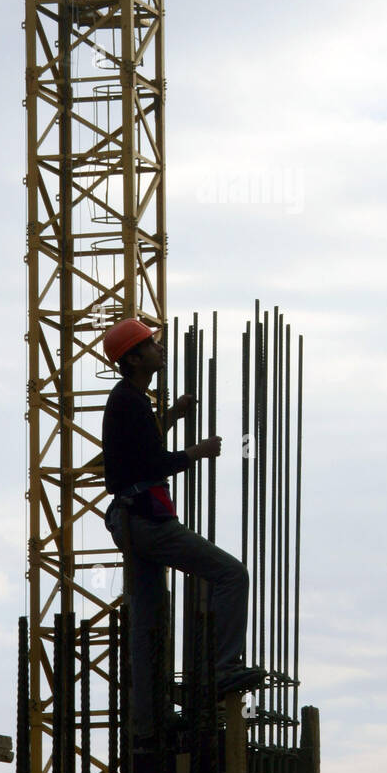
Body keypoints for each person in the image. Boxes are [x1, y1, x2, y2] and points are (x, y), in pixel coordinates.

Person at [102, 317, 264, 743]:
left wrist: (171, 415)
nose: (160, 348)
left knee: (148, 618)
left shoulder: (131, 399)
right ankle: (223, 668)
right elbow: (151, 464)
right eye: (150, 344)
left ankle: (149, 718)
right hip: (145, 519)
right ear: (134, 358)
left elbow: (141, 449)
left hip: (133, 519)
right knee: (231, 574)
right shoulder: (129, 402)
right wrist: (198, 452)